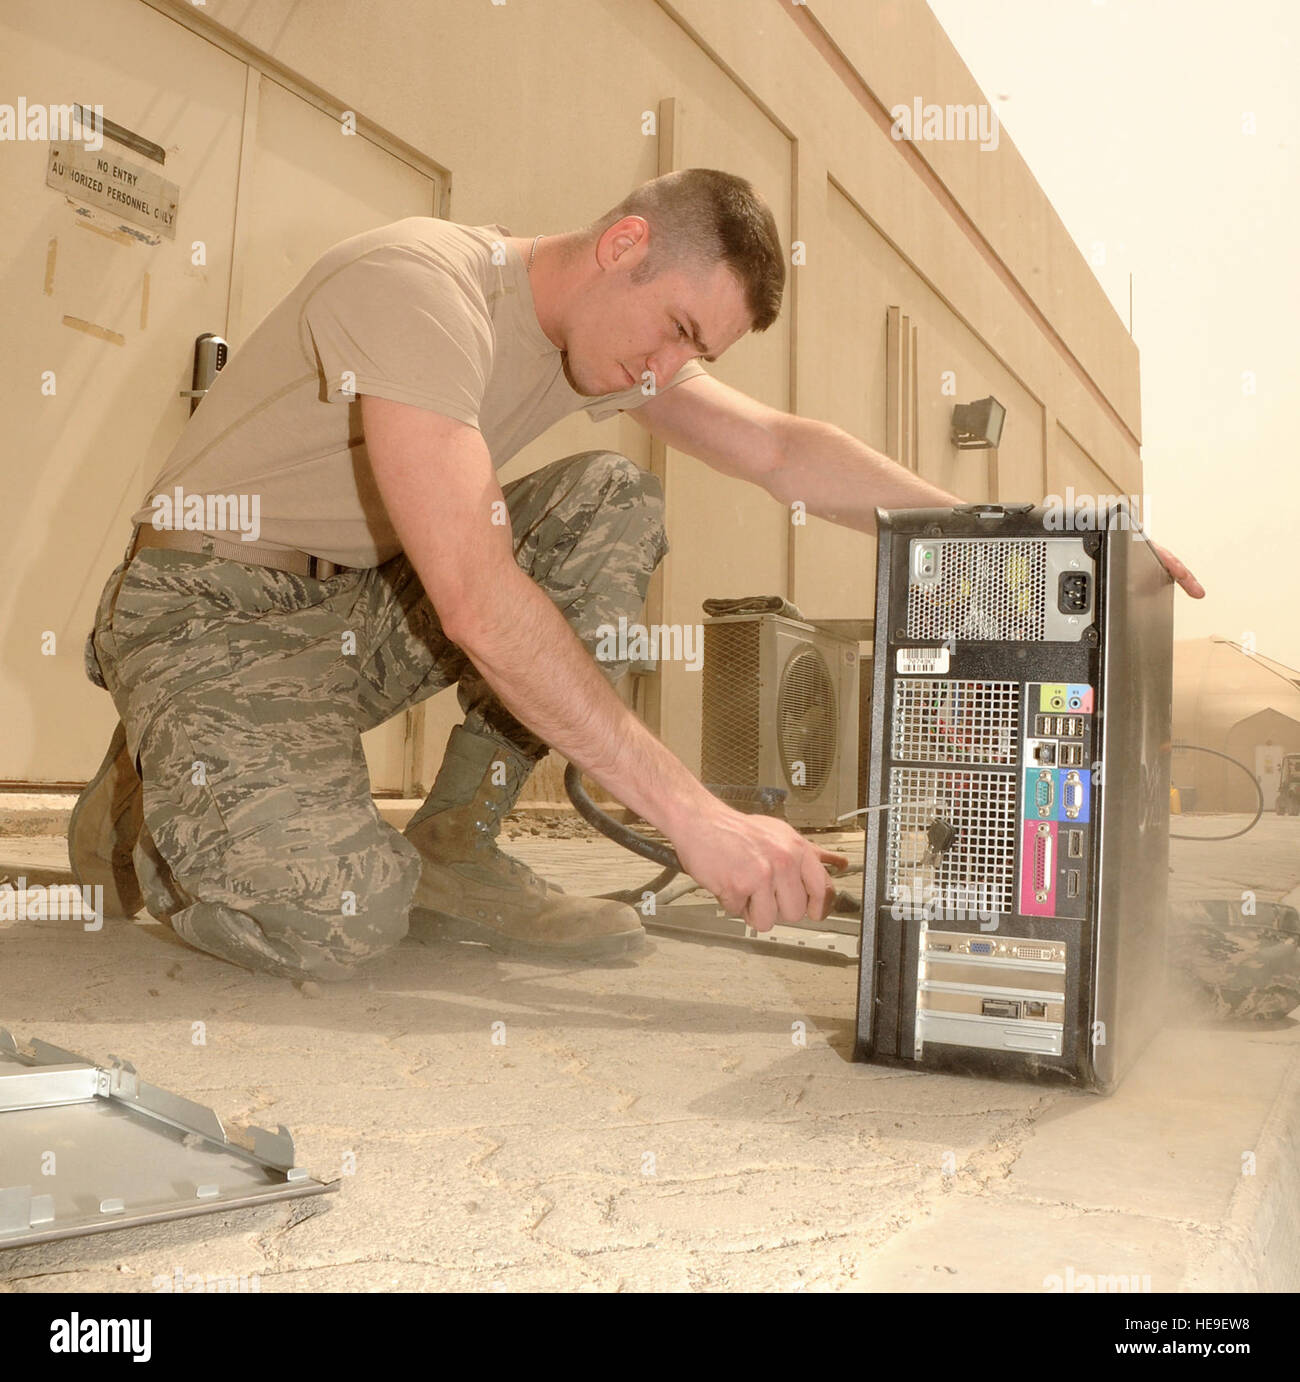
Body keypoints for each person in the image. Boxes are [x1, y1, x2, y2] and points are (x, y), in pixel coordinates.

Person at [71, 168, 1204, 980]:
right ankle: (151, 813)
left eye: (690, 356)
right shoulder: (420, 285)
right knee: (346, 920)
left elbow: (776, 448)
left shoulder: (604, 347)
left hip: (345, 609)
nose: (663, 373)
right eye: (670, 329)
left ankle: (456, 841)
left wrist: (1019, 537)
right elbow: (472, 595)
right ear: (623, 244)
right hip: (206, 615)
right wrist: (694, 815)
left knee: (608, 502)